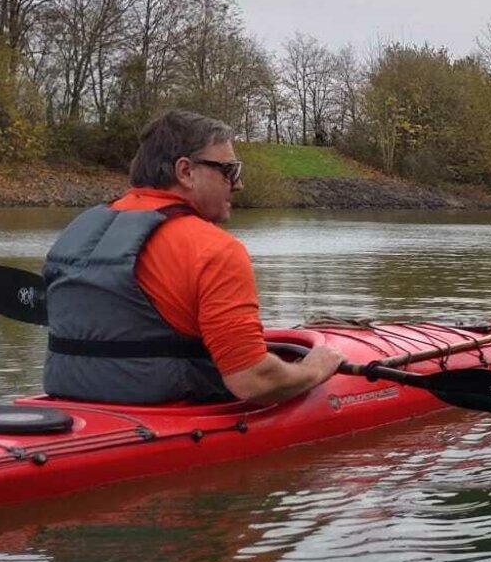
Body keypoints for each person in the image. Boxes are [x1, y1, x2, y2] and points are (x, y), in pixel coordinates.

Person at [42, 109, 345, 405]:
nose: (238, 184)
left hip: (71, 404)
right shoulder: (215, 250)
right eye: (229, 171)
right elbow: (252, 380)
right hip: (168, 415)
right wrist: (314, 369)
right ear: (186, 172)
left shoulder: (76, 232)